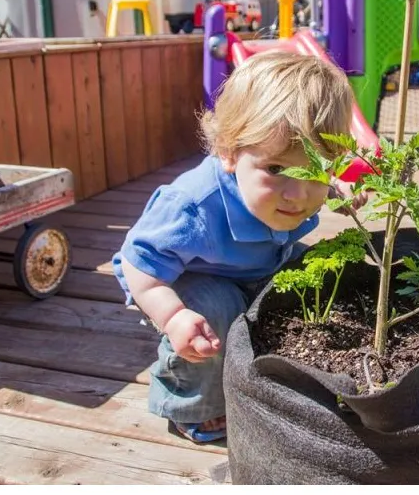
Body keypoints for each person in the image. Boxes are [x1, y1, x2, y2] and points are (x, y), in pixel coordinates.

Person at [111, 51, 366, 444]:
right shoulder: (192, 207)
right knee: (217, 311)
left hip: (258, 263)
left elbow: (306, 181)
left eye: (316, 171)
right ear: (229, 153)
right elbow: (138, 263)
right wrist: (174, 316)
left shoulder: (289, 190)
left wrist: (336, 191)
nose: (298, 193)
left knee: (321, 274)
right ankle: (192, 405)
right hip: (185, 277)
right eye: (277, 170)